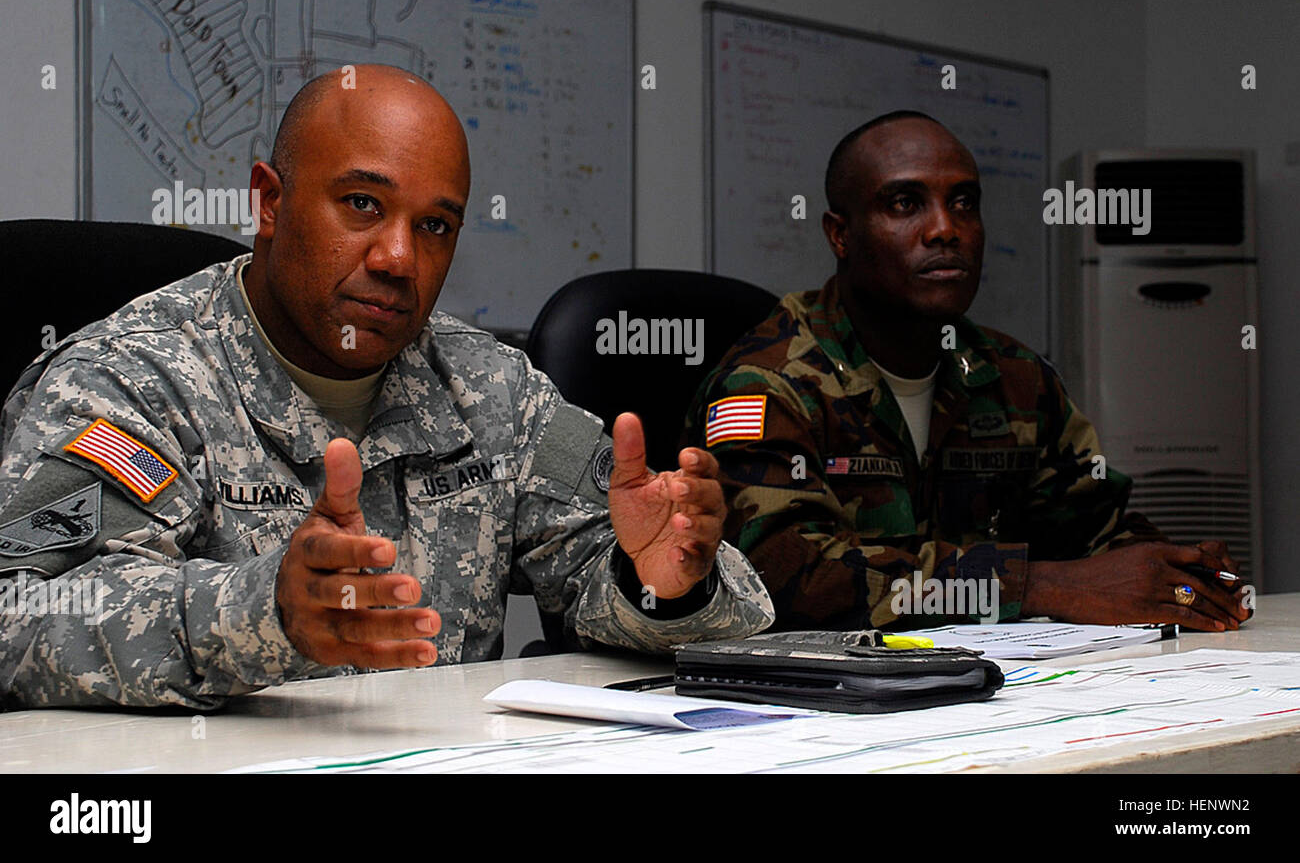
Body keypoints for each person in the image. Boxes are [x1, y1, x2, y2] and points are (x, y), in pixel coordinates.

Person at [0, 64, 772, 711]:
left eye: (435, 225)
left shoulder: (497, 389)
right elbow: (23, 614)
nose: (399, 257)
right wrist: (262, 612)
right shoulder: (130, 377)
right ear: (270, 202)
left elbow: (657, 574)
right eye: (362, 205)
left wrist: (660, 583)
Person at [685, 110, 1250, 633]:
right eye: (905, 204)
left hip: (1016, 694)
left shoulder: (1016, 379)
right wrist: (1036, 585)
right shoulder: (769, 382)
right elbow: (782, 575)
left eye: (963, 203)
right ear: (840, 234)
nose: (944, 230)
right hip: (830, 713)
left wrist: (1177, 571)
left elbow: (1094, 527)